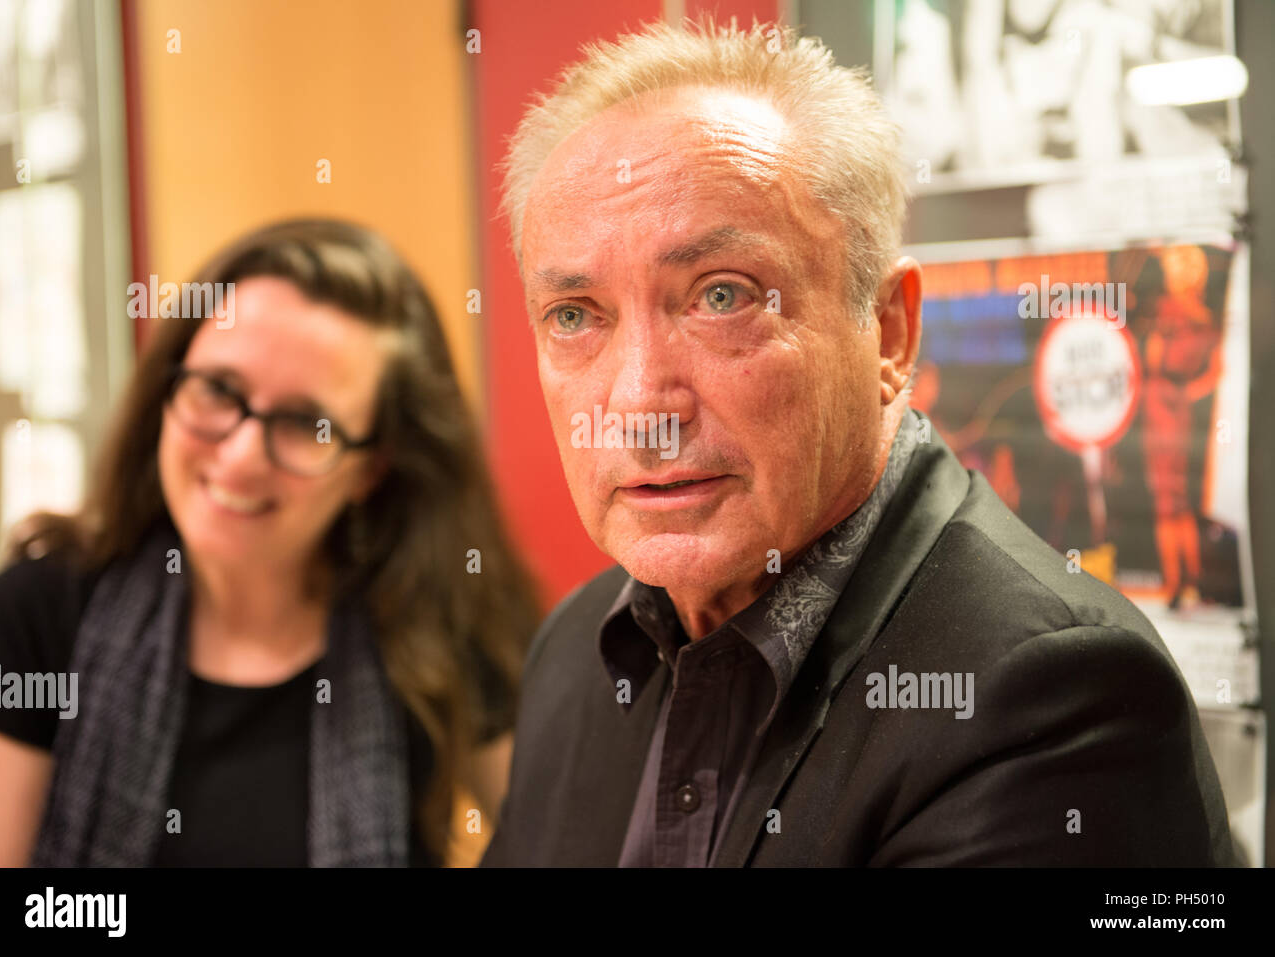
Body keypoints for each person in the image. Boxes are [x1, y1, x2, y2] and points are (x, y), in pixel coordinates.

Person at [481, 20, 1234, 866]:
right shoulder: (572, 653)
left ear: (889, 332)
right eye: (575, 316)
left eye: (721, 296)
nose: (636, 403)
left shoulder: (1050, 697)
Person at [0, 218, 540, 866]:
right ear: (168, 382)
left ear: (372, 467)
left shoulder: (443, 626)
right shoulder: (37, 614)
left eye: (306, 422)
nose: (242, 456)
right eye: (219, 389)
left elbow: (565, 841)